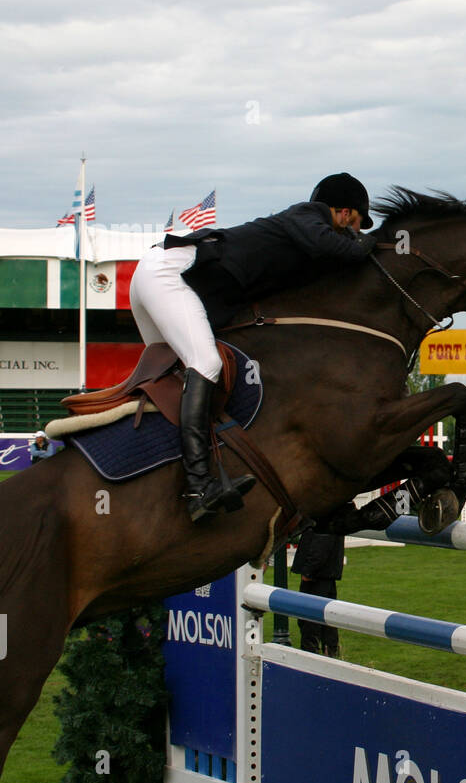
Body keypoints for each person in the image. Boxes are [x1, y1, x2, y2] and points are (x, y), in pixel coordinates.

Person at [129, 173, 379, 522]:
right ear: (342, 211)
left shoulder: (298, 242)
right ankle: (199, 487)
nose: (356, 231)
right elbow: (344, 251)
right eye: (356, 223)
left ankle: (151, 471)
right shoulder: (307, 215)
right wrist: (376, 243)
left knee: (171, 382)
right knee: (206, 364)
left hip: (159, 274)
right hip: (169, 272)